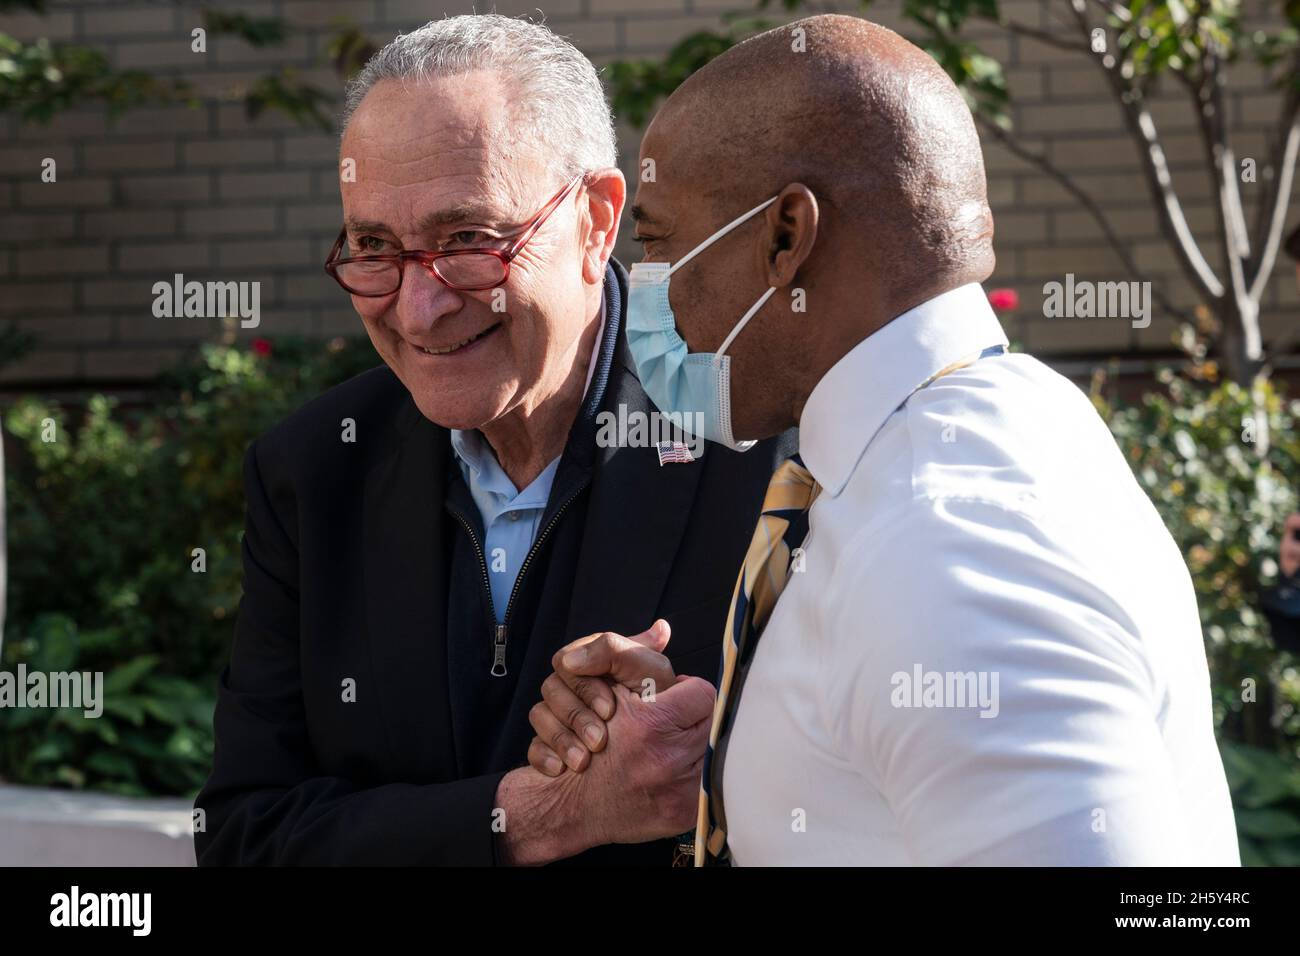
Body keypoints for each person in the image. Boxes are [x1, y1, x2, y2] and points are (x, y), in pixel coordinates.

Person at [528, 14, 1240, 865]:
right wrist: (752, 724)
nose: (646, 293)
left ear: (785, 238)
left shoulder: (950, 542)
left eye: (656, 242)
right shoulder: (972, 436)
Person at [193, 15, 794, 866]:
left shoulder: (764, 444)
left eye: (469, 241)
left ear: (596, 220)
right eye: (374, 249)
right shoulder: (314, 472)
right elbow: (242, 840)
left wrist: (718, 764)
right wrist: (544, 813)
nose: (418, 309)